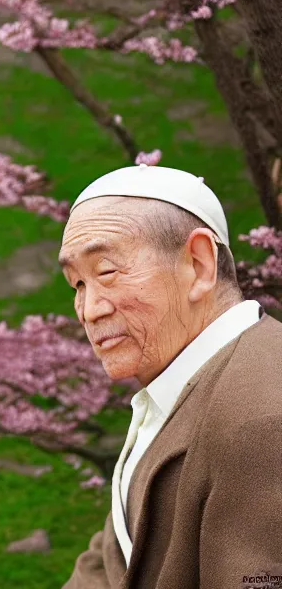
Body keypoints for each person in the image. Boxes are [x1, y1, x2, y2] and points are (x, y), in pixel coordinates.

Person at [58, 165, 282, 589]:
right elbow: (110, 562)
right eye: (77, 285)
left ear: (198, 265)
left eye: (106, 271)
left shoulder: (264, 416)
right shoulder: (174, 387)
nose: (89, 310)